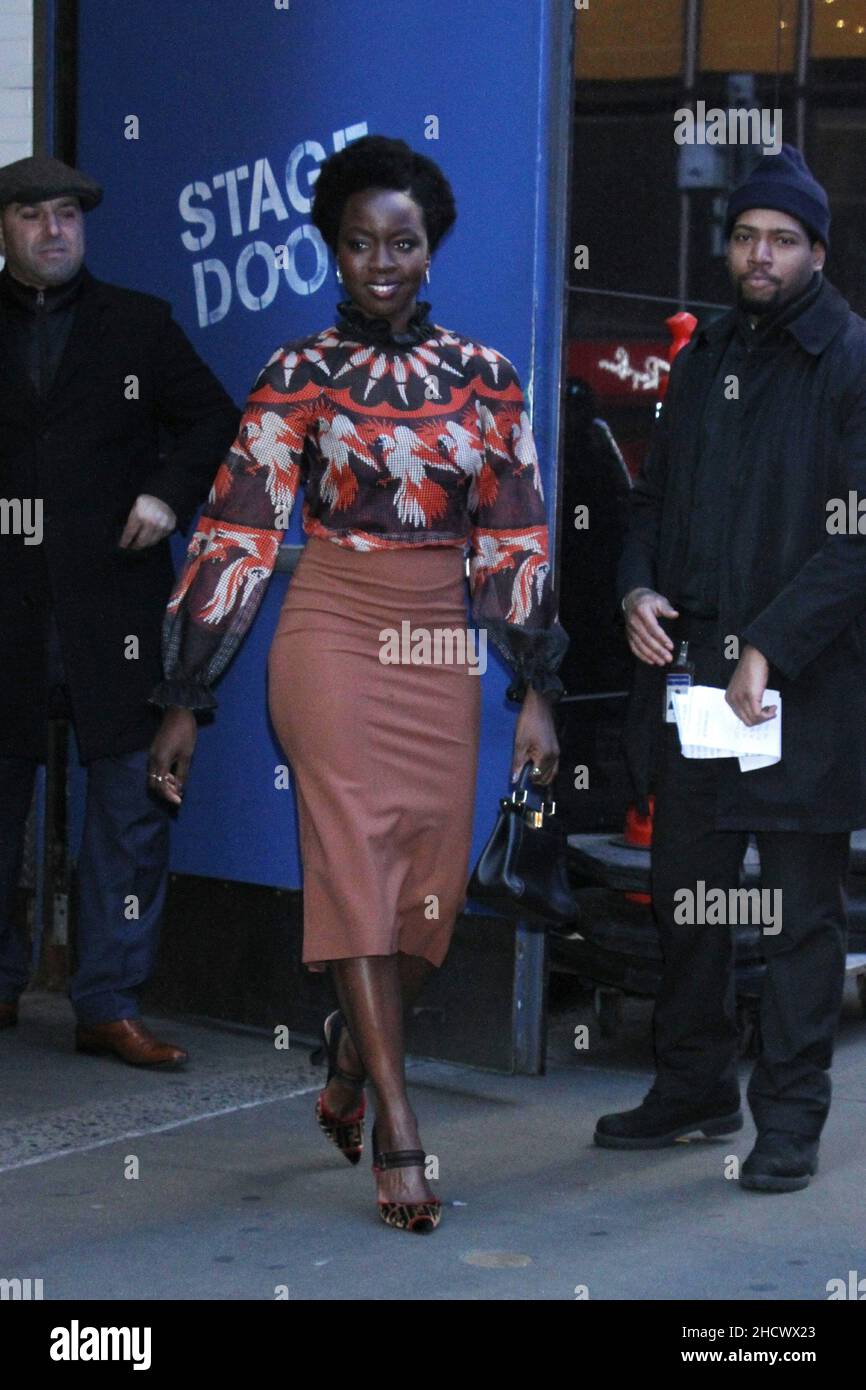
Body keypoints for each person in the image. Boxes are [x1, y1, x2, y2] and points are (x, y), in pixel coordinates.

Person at [149, 135, 568, 1231]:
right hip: (332, 626)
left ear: (431, 249)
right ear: (331, 249)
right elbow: (238, 527)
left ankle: (347, 1052)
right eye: (358, 241)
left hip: (441, 638)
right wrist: (187, 695)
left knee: (428, 898)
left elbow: (515, 534)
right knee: (351, 875)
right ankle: (399, 1124)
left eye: (402, 241)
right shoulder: (296, 375)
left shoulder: (485, 381)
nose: (381, 260)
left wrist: (534, 684)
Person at [596, 145, 866, 1192]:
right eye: (746, 235)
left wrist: (770, 642)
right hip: (693, 684)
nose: (759, 255)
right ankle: (694, 1087)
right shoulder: (702, 354)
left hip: (801, 684)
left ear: (814, 250)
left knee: (798, 919)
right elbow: (649, 507)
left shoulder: (846, 356)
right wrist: (633, 591)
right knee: (688, 897)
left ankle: (787, 1123)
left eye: (782, 240)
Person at [0, 155, 239, 1066]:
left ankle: (107, 1002)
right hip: (8, 612)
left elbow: (214, 418)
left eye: (68, 214)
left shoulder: (139, 324)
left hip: (117, 607)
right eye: (32, 215)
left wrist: (168, 496)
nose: (54, 230)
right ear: (6, 230)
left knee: (128, 815)